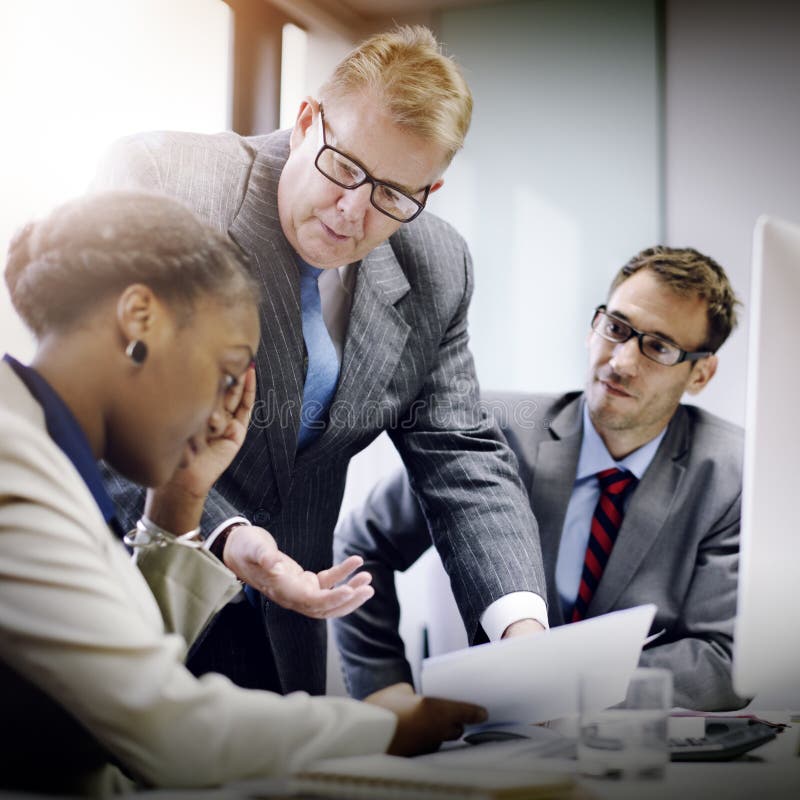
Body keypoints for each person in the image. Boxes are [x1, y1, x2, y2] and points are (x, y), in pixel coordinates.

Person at [92, 25, 548, 696]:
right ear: (307, 121)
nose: (353, 212)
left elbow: (460, 452)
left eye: (394, 194)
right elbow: (104, 403)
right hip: (125, 592)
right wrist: (228, 534)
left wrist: (521, 630)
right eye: (346, 167)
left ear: (431, 191)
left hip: (284, 629)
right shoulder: (167, 183)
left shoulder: (437, 266)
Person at [0, 191, 486, 796]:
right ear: (139, 320)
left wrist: (180, 499)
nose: (222, 414)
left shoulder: (40, 449)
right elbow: (167, 730)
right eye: (228, 374)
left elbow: (119, 677)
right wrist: (381, 725)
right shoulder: (11, 459)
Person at [334, 246, 747, 712]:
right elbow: (361, 547)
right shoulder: (490, 432)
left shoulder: (730, 474)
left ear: (701, 373)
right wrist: (384, 688)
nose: (622, 362)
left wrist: (569, 687)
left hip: (635, 744)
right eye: (616, 328)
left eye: (659, 347)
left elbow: (722, 659)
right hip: (481, 735)